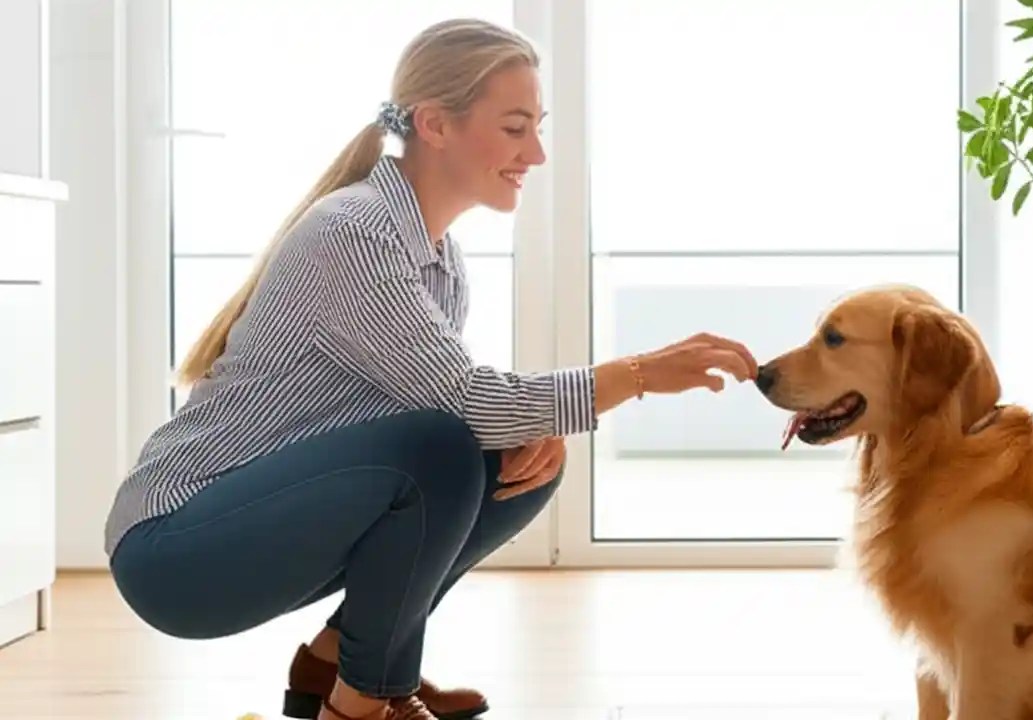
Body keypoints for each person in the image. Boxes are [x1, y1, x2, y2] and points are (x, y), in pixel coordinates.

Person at [103, 17, 758, 720]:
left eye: (539, 126)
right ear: (434, 125)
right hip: (174, 550)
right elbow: (461, 407)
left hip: (249, 528)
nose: (536, 152)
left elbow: (450, 411)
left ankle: (343, 664)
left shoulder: (440, 259)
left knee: (517, 465)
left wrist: (531, 426)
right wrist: (636, 373)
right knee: (442, 447)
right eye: (514, 128)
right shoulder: (354, 233)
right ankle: (364, 702)